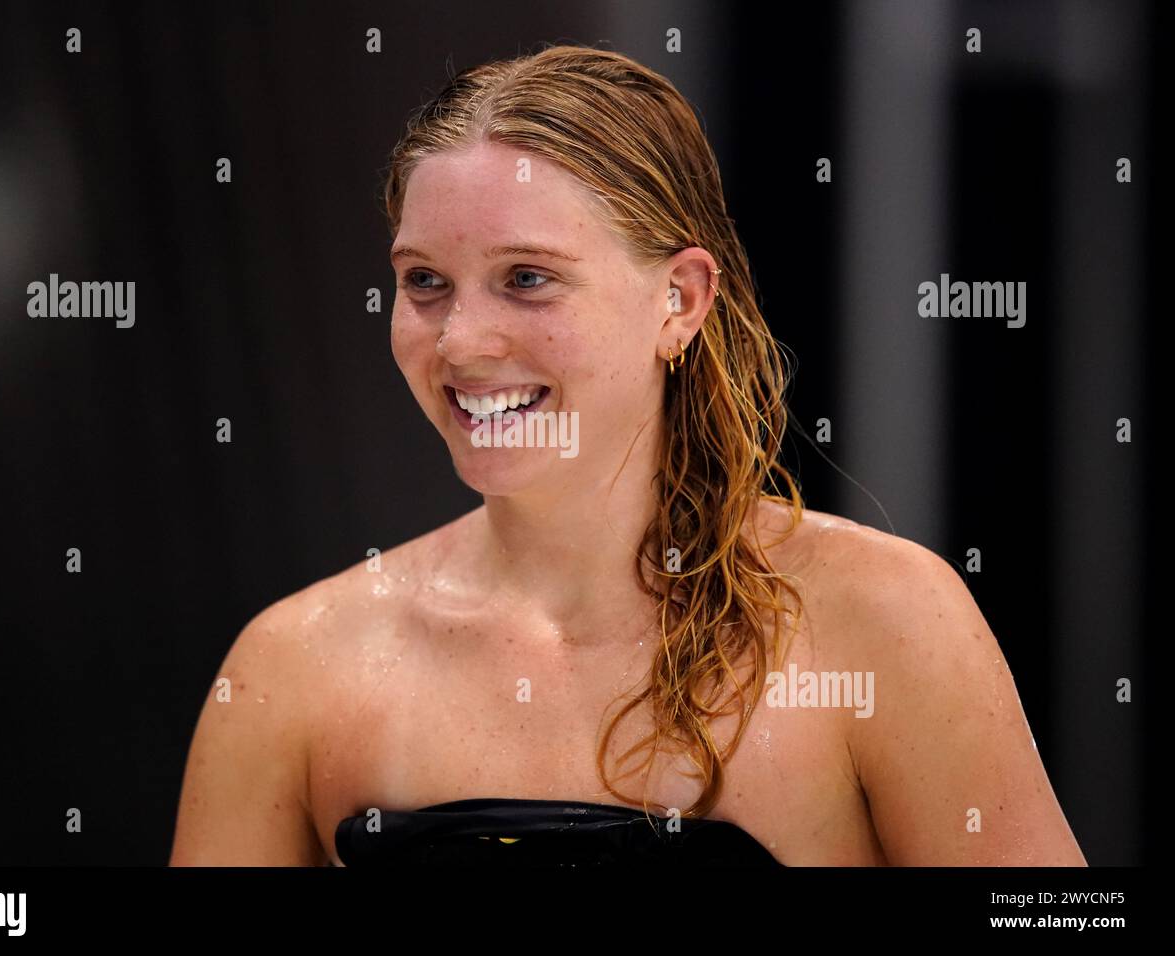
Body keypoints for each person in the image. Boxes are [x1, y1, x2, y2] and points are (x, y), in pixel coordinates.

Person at [169, 44, 1086, 866]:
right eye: (425, 283)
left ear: (679, 302)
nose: (461, 342)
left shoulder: (880, 620)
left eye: (527, 279)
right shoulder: (295, 666)